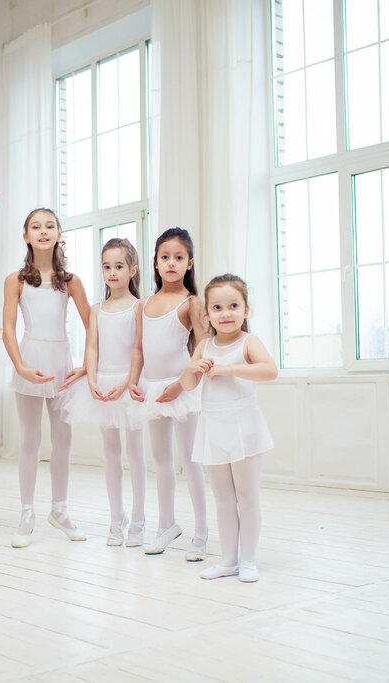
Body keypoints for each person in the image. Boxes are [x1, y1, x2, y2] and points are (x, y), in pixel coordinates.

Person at [3, 208, 91, 548]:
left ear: (58, 234)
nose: (43, 231)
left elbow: (92, 324)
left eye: (49, 226)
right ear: (26, 236)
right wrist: (21, 365)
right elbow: (8, 327)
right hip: (29, 361)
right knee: (29, 437)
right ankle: (27, 512)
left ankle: (60, 510)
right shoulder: (16, 280)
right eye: (35, 227)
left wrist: (86, 365)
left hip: (61, 363)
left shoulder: (71, 282)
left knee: (63, 439)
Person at [180, 274, 277, 582]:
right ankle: (228, 560)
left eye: (233, 306)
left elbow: (269, 370)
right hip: (213, 428)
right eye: (218, 307)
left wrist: (228, 368)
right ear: (207, 314)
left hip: (243, 428)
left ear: (246, 310)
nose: (225, 313)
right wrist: (191, 369)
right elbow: (187, 384)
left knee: (247, 497)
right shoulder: (204, 345)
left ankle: (248, 561)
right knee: (223, 498)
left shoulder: (249, 342)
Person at [128, 227, 209, 559]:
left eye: (178, 258)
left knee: (190, 460)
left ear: (190, 263)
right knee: (161, 459)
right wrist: (134, 381)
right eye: (165, 257)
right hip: (153, 388)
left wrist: (183, 383)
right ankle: (166, 525)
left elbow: (204, 345)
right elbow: (138, 348)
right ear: (155, 263)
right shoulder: (144, 304)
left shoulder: (192, 303)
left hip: (182, 387)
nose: (171, 263)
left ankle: (202, 530)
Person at [60, 238, 146, 546]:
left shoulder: (139, 306)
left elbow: (139, 349)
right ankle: (115, 518)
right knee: (111, 453)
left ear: (132, 270)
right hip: (103, 384)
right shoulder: (97, 309)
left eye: (119, 266)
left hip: (130, 383)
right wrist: (92, 380)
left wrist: (127, 383)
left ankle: (138, 520)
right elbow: (92, 346)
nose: (112, 272)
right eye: (107, 267)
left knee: (135, 451)